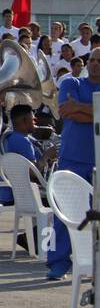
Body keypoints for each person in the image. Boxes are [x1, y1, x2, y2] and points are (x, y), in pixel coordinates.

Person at [48, 48, 100, 280]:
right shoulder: (71, 84)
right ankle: (58, 262)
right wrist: (94, 112)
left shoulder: (77, 93)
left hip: (97, 160)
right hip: (72, 158)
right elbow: (67, 112)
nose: (96, 64)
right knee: (64, 214)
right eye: (93, 60)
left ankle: (92, 264)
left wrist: (80, 107)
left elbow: (76, 111)